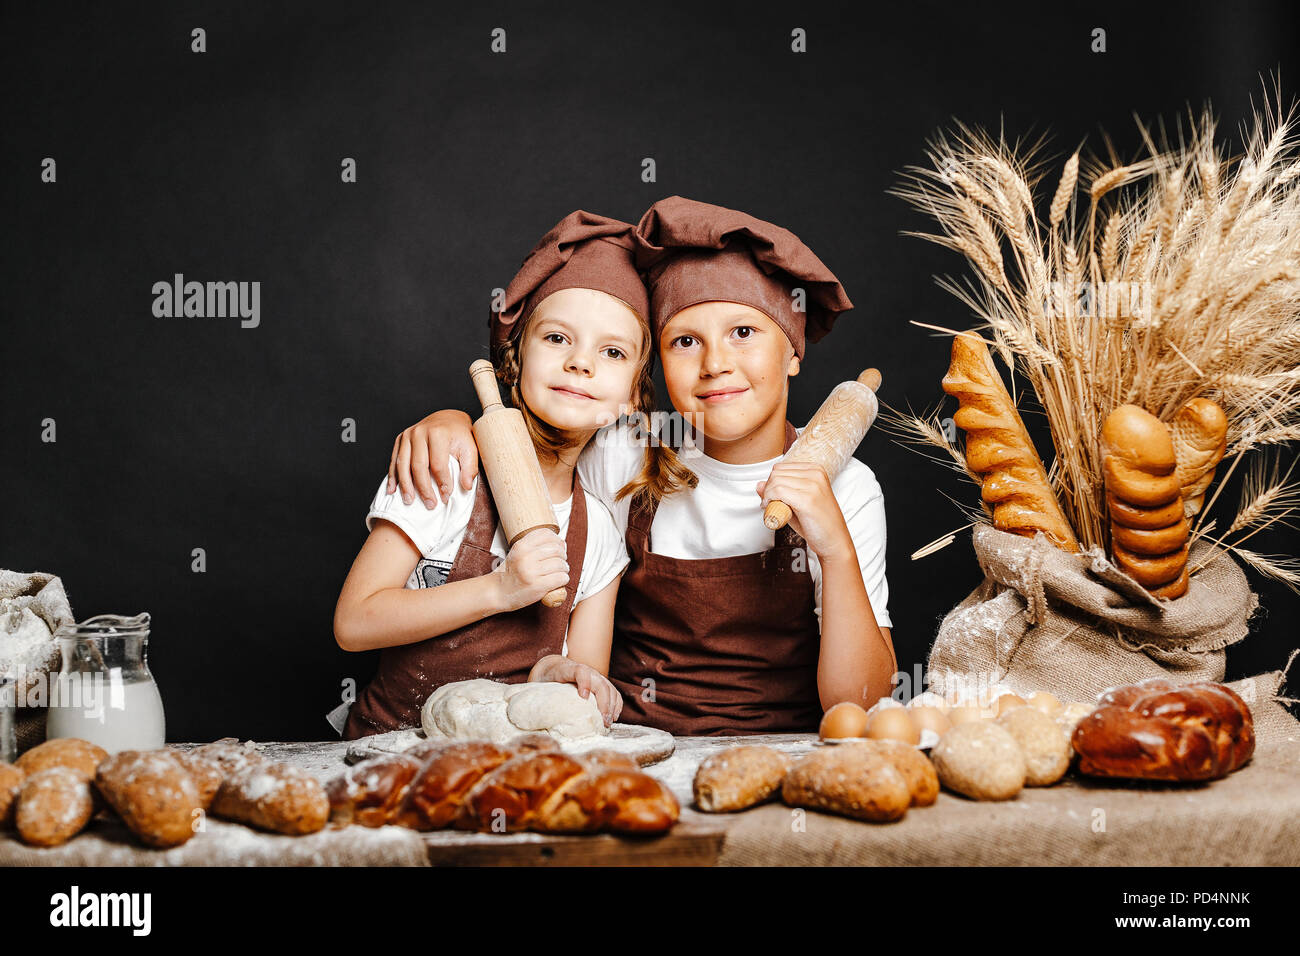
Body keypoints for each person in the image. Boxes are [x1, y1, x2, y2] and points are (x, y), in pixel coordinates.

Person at [382, 197, 895, 735]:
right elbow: (536, 438)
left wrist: (834, 549)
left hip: (783, 754)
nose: (716, 363)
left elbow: (859, 702)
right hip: (633, 749)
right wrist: (451, 422)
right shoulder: (625, 452)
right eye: (685, 341)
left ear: (793, 353)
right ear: (655, 369)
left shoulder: (848, 488)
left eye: (744, 332)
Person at [332, 211, 659, 739]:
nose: (581, 363)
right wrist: (502, 589)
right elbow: (354, 623)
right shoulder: (445, 469)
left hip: (512, 768)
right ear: (514, 358)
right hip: (391, 752)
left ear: (631, 399)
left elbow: (576, 670)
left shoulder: (597, 531)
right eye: (556, 338)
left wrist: (565, 674)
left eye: (613, 352)